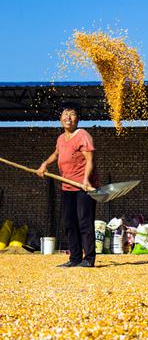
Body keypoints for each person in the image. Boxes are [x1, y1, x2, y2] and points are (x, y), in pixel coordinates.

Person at [36, 103, 99, 268]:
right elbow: (57, 154)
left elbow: (90, 160)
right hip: (67, 186)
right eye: (65, 114)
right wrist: (44, 165)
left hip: (83, 187)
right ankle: (75, 258)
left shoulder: (82, 135)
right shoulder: (61, 139)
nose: (68, 117)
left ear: (77, 119)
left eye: (72, 114)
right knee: (69, 223)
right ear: (60, 119)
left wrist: (86, 180)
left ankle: (89, 259)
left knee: (84, 223)